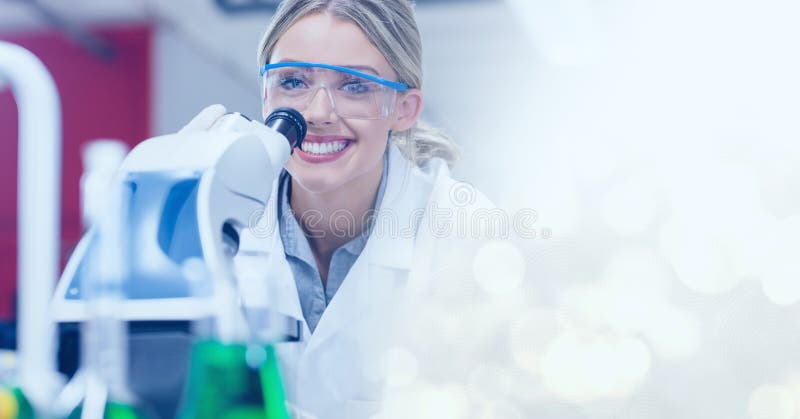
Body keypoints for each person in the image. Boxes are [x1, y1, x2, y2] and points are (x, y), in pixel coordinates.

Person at [185, 1, 493, 417]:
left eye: (354, 86)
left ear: (404, 109)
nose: (317, 113)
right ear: (266, 95)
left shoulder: (463, 234)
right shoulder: (210, 215)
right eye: (293, 81)